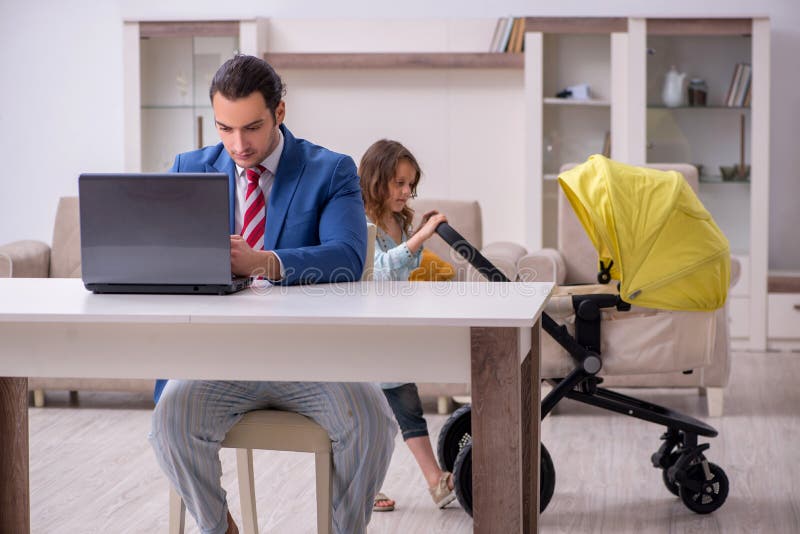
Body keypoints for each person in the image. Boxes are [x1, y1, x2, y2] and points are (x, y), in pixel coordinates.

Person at [148, 55, 396, 534]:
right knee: (169, 424)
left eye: (253, 127)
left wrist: (261, 261)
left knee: (372, 423)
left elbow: (346, 257)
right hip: (217, 360)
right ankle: (220, 528)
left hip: (308, 357)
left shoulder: (331, 171)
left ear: (280, 113)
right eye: (225, 128)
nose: (238, 144)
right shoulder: (190, 168)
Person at [358, 139, 455, 511]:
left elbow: (406, 274)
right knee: (376, 417)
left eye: (409, 184)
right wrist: (422, 237)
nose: (404, 192)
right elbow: (379, 272)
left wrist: (417, 232)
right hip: (366, 333)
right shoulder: (362, 221)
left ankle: (432, 481)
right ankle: (420, 482)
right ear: (375, 179)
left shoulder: (399, 220)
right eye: (398, 183)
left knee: (400, 407)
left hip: (391, 330)